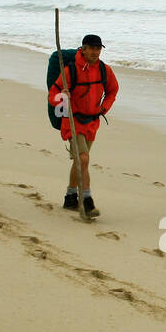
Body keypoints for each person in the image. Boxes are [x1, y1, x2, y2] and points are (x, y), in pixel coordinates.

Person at [47, 34, 118, 217]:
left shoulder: (104, 70)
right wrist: (62, 97)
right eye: (92, 48)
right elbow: (52, 95)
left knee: (80, 161)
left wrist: (104, 108)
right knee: (84, 159)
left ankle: (70, 197)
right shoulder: (71, 71)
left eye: (98, 49)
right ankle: (87, 201)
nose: (96, 52)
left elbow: (113, 90)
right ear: (83, 49)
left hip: (92, 123)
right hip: (72, 122)